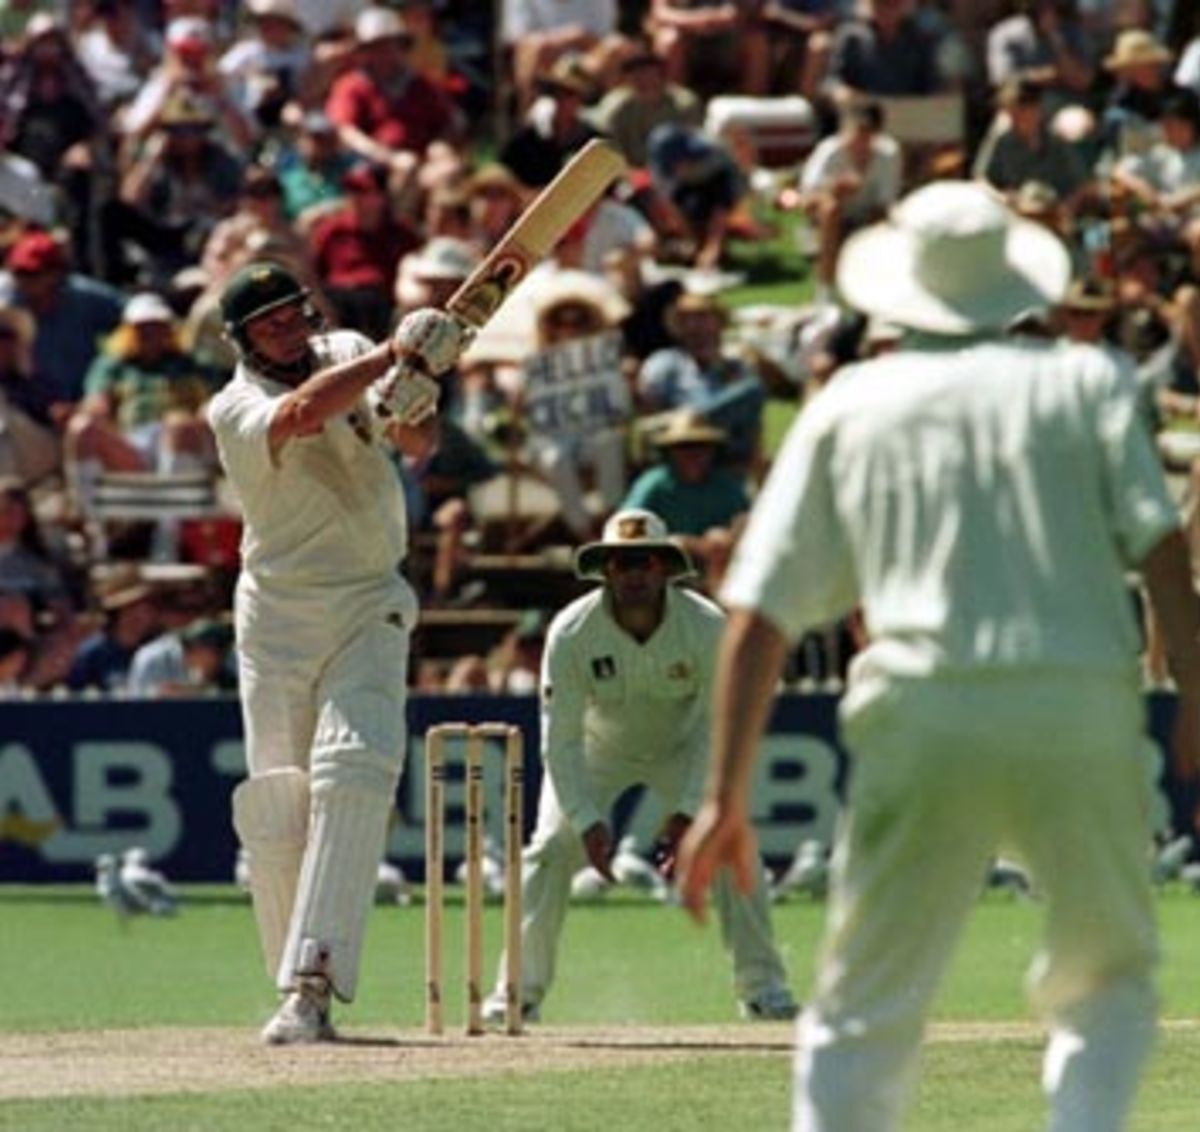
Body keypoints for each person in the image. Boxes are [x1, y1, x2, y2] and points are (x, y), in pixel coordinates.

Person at [676, 180, 1200, 1131]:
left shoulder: (854, 400)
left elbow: (759, 611)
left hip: (921, 708)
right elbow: (1163, 547)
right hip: (1079, 705)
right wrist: (1195, 692)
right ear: (1016, 283)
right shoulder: (1086, 381)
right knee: (1107, 983)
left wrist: (725, 794)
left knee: (863, 1005)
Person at [207, 260, 463, 1045]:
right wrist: (393, 354)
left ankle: (315, 986)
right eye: (269, 324)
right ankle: (293, 988)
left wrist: (418, 390)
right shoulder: (233, 406)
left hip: (368, 597)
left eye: (293, 314)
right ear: (243, 339)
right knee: (279, 806)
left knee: (355, 766)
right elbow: (300, 414)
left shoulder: (346, 348)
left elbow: (416, 442)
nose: (287, 331)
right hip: (277, 617)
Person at [481, 507, 799, 1026]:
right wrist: (586, 821)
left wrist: (689, 811)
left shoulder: (706, 626)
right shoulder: (572, 631)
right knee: (548, 851)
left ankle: (765, 991)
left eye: (644, 561)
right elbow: (560, 740)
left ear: (666, 568)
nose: (633, 573)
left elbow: (716, 727)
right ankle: (516, 995)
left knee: (730, 844)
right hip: (598, 750)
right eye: (621, 562)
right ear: (605, 570)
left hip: (683, 748)